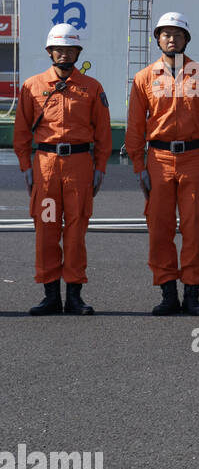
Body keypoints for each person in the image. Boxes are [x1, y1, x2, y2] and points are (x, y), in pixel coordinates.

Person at [125, 11, 199, 315]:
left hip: (195, 158)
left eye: (177, 34)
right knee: (159, 229)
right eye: (165, 34)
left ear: (186, 39)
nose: (171, 39)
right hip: (158, 159)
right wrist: (139, 167)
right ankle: (168, 292)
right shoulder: (144, 78)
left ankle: (192, 294)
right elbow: (135, 127)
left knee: (193, 228)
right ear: (157, 40)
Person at [14, 24, 110, 315]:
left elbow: (103, 133)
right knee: (46, 229)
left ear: (78, 53)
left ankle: (75, 295)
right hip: (45, 168)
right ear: (50, 51)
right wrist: (25, 167)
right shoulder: (32, 86)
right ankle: (50, 295)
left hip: (79, 166)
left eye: (70, 49)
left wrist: (100, 168)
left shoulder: (92, 87)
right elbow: (21, 133)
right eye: (59, 48)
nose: (64, 53)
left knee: (76, 229)